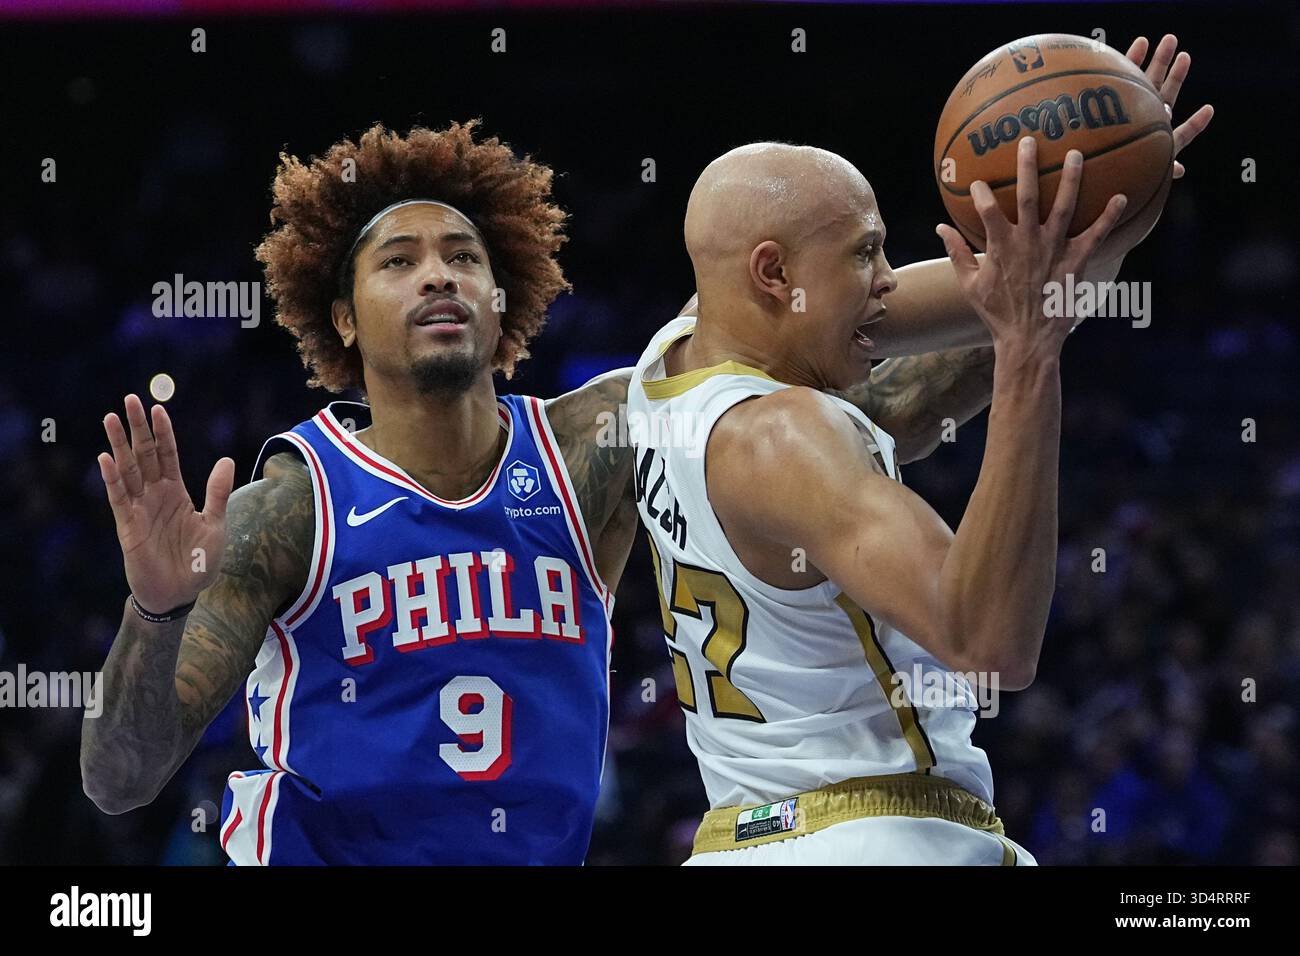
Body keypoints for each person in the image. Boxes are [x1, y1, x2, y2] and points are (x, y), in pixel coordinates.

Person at [627, 36, 1210, 866]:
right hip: (876, 838)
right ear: (773, 273)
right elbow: (989, 643)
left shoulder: (677, 359)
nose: (888, 278)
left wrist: (1098, 203)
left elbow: (1009, 286)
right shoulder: (786, 437)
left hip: (746, 839)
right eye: (866, 252)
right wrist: (1028, 355)